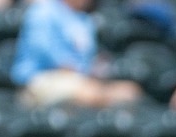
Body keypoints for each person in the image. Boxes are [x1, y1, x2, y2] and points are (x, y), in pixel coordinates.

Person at [11, 0, 142, 108]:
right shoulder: (43, 11)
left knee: (129, 91)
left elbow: (86, 57)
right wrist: (71, 68)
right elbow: (43, 49)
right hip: (40, 79)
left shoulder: (84, 20)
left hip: (79, 80)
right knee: (89, 93)